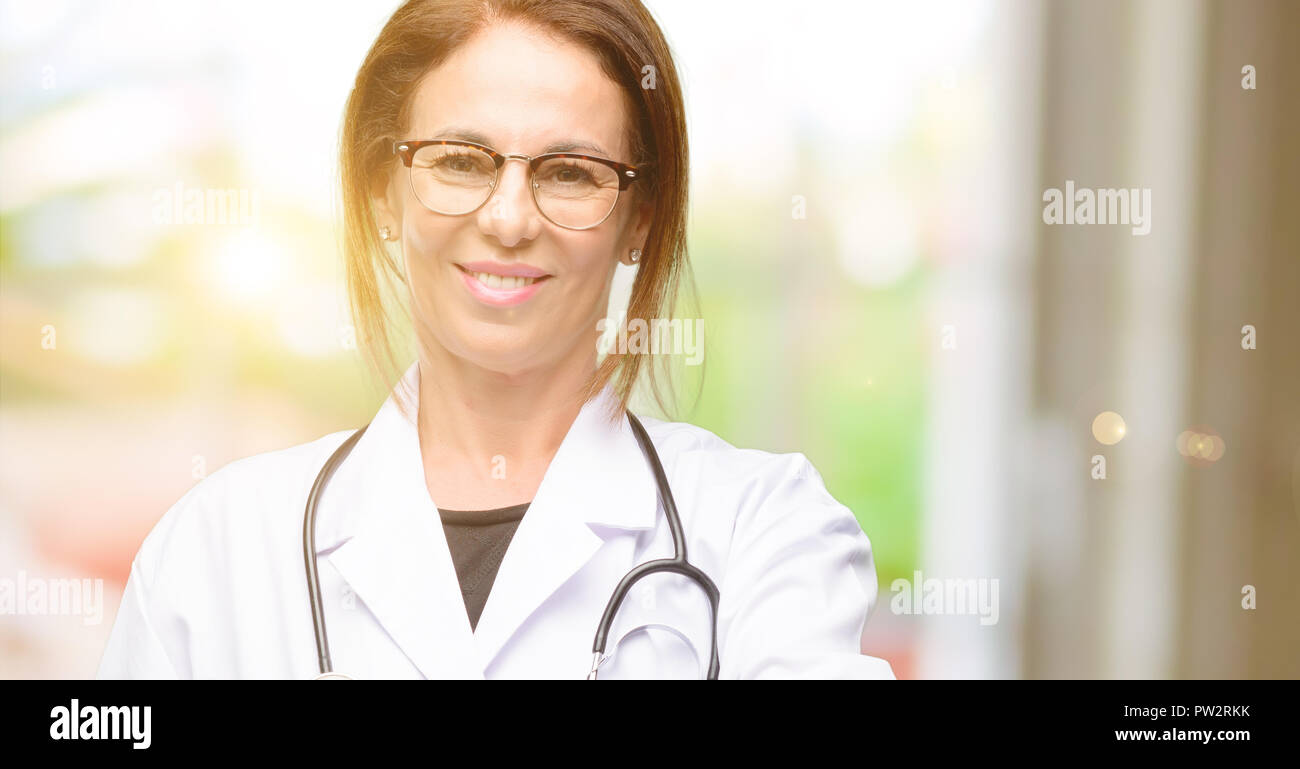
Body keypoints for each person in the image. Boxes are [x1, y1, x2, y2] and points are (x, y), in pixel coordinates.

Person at [96, 0, 895, 679]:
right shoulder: (215, 551)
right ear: (385, 192)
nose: (509, 219)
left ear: (637, 221)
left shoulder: (762, 528)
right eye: (459, 161)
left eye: (570, 171)